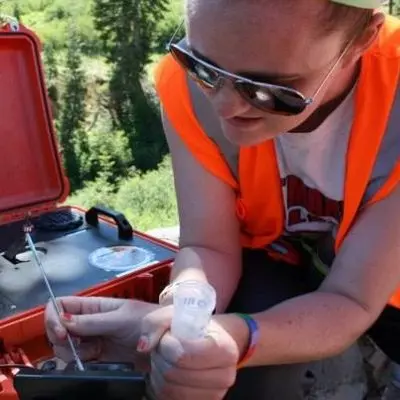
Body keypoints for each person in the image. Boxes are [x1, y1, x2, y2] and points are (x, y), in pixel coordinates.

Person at [45, 0, 400, 398]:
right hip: (287, 255)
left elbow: (350, 299)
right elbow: (208, 244)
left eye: (268, 91)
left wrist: (236, 337)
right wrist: (178, 318)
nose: (224, 107)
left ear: (361, 40)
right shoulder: (188, 92)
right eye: (202, 67)